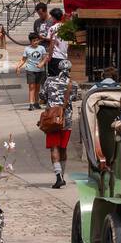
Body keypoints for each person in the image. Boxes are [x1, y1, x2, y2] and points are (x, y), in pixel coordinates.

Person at [40, 58, 80, 188]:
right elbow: (74, 98)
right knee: (63, 148)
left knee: (54, 147)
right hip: (66, 120)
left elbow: (42, 96)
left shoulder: (49, 81)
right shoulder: (73, 84)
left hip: (51, 119)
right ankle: (62, 175)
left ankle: (58, 176)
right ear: (69, 70)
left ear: (58, 68)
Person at [16, 31, 46, 110]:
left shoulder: (41, 48)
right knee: (31, 87)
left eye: (37, 40)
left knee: (37, 87)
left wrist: (42, 64)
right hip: (30, 70)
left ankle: (36, 102)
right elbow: (23, 59)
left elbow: (45, 58)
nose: (36, 42)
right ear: (30, 41)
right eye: (34, 41)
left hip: (40, 70)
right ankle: (31, 103)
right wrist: (18, 67)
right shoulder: (27, 49)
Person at [45, 7, 68, 77]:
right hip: (65, 57)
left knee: (54, 79)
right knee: (63, 78)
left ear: (54, 17)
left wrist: (49, 56)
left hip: (55, 57)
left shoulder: (52, 28)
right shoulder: (66, 27)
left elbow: (51, 43)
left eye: (51, 17)